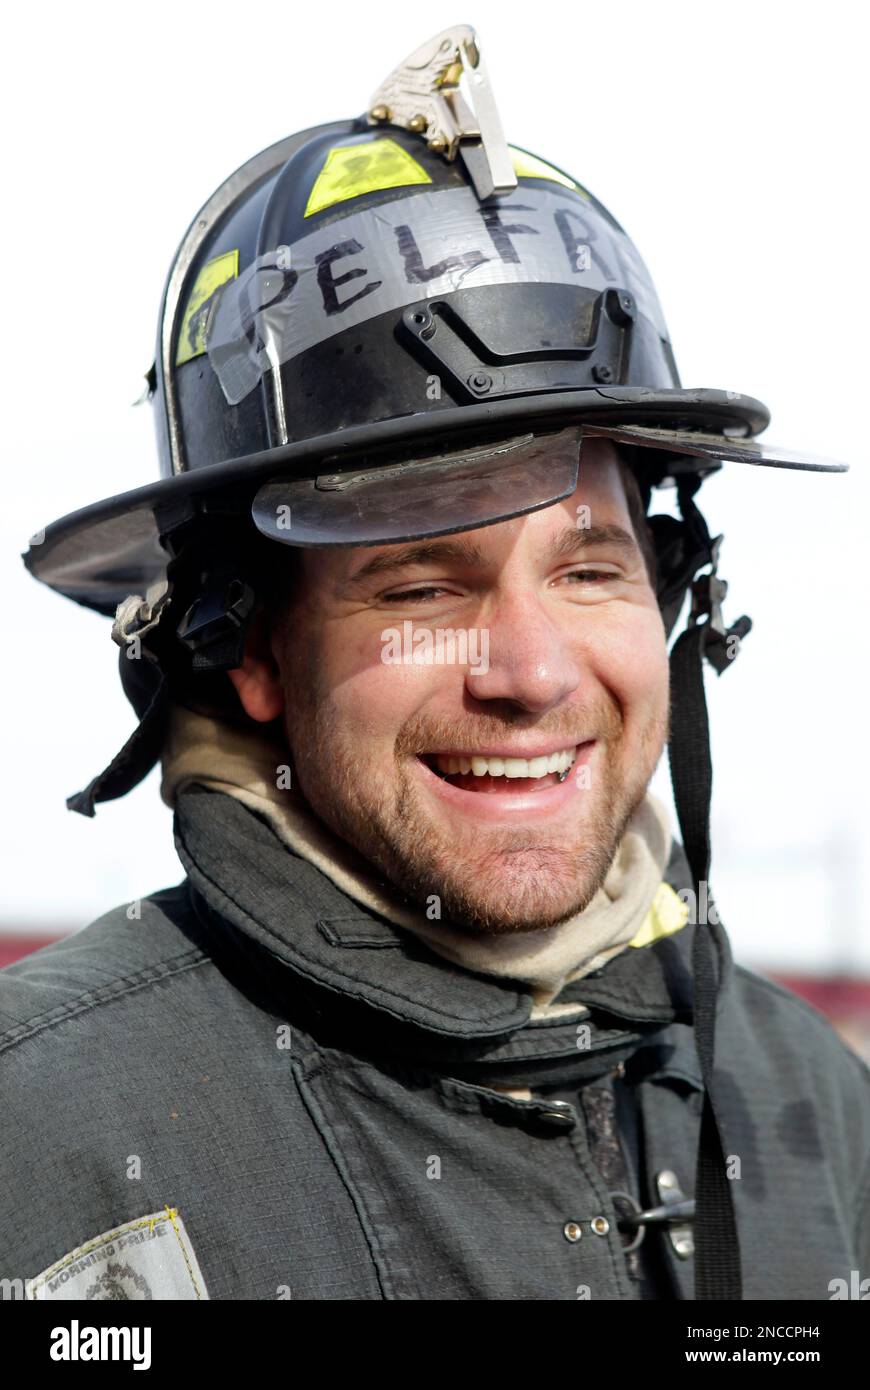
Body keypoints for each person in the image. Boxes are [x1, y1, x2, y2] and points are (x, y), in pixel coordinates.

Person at [4, 24, 869, 1302]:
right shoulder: (45, 1142)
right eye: (420, 584)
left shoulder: (807, 1106)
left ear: (675, 600)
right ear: (248, 650)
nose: (530, 671)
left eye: (589, 570)